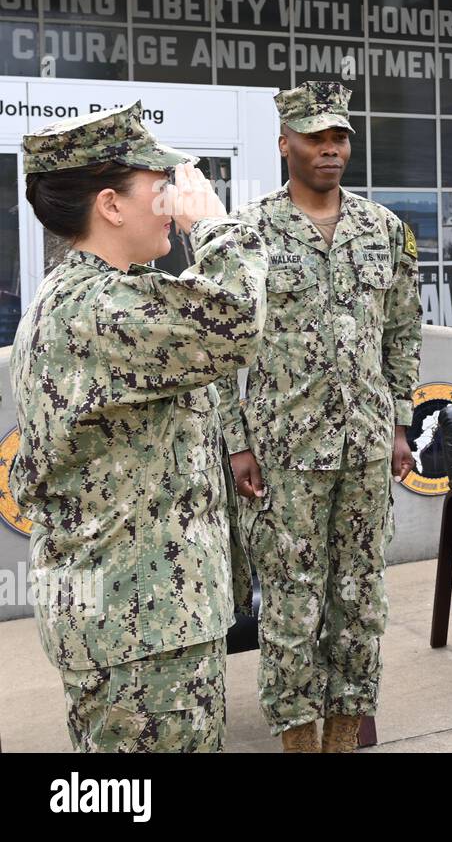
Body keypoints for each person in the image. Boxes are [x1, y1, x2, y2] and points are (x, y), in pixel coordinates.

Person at [9, 102, 267, 752]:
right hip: (142, 644)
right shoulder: (99, 310)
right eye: (159, 187)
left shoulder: (101, 294)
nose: (173, 199)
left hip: (147, 624)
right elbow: (236, 318)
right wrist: (213, 224)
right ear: (111, 206)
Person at [215, 81, 422, 753]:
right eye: (315, 138)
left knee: (360, 603)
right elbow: (220, 346)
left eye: (340, 138)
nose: (330, 150)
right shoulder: (248, 232)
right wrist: (237, 443)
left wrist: (398, 421)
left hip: (364, 448)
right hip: (283, 454)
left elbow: (402, 330)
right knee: (292, 607)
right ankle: (298, 741)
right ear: (286, 144)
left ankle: (344, 736)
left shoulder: (383, 229)